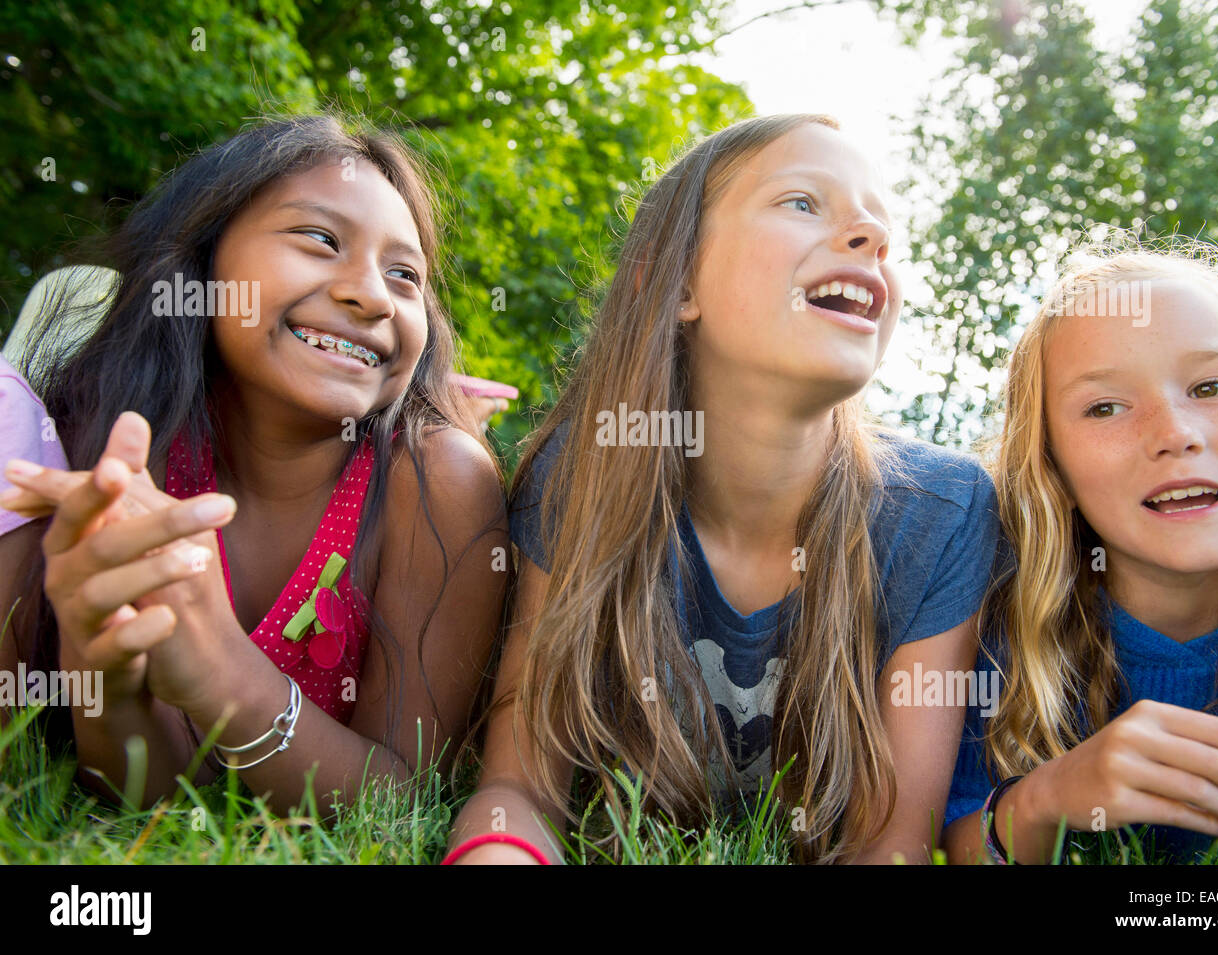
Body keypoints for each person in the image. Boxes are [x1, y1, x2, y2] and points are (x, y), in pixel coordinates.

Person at [445, 114, 1002, 865]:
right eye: (804, 202)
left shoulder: (942, 510)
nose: (870, 234)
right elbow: (520, 786)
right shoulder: (586, 477)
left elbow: (892, 843)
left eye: (881, 226)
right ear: (675, 283)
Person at [0, 114, 508, 814]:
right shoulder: (119, 446)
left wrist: (221, 674)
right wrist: (104, 672)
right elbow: (149, 797)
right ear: (202, 263)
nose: (370, 294)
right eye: (320, 240)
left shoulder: (439, 483)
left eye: (406, 274)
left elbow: (406, 798)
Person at [942, 241, 1218, 864]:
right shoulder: (989, 629)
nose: (1174, 434)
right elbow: (935, 845)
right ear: (1052, 465)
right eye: (1105, 407)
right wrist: (1045, 800)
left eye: (1212, 386)